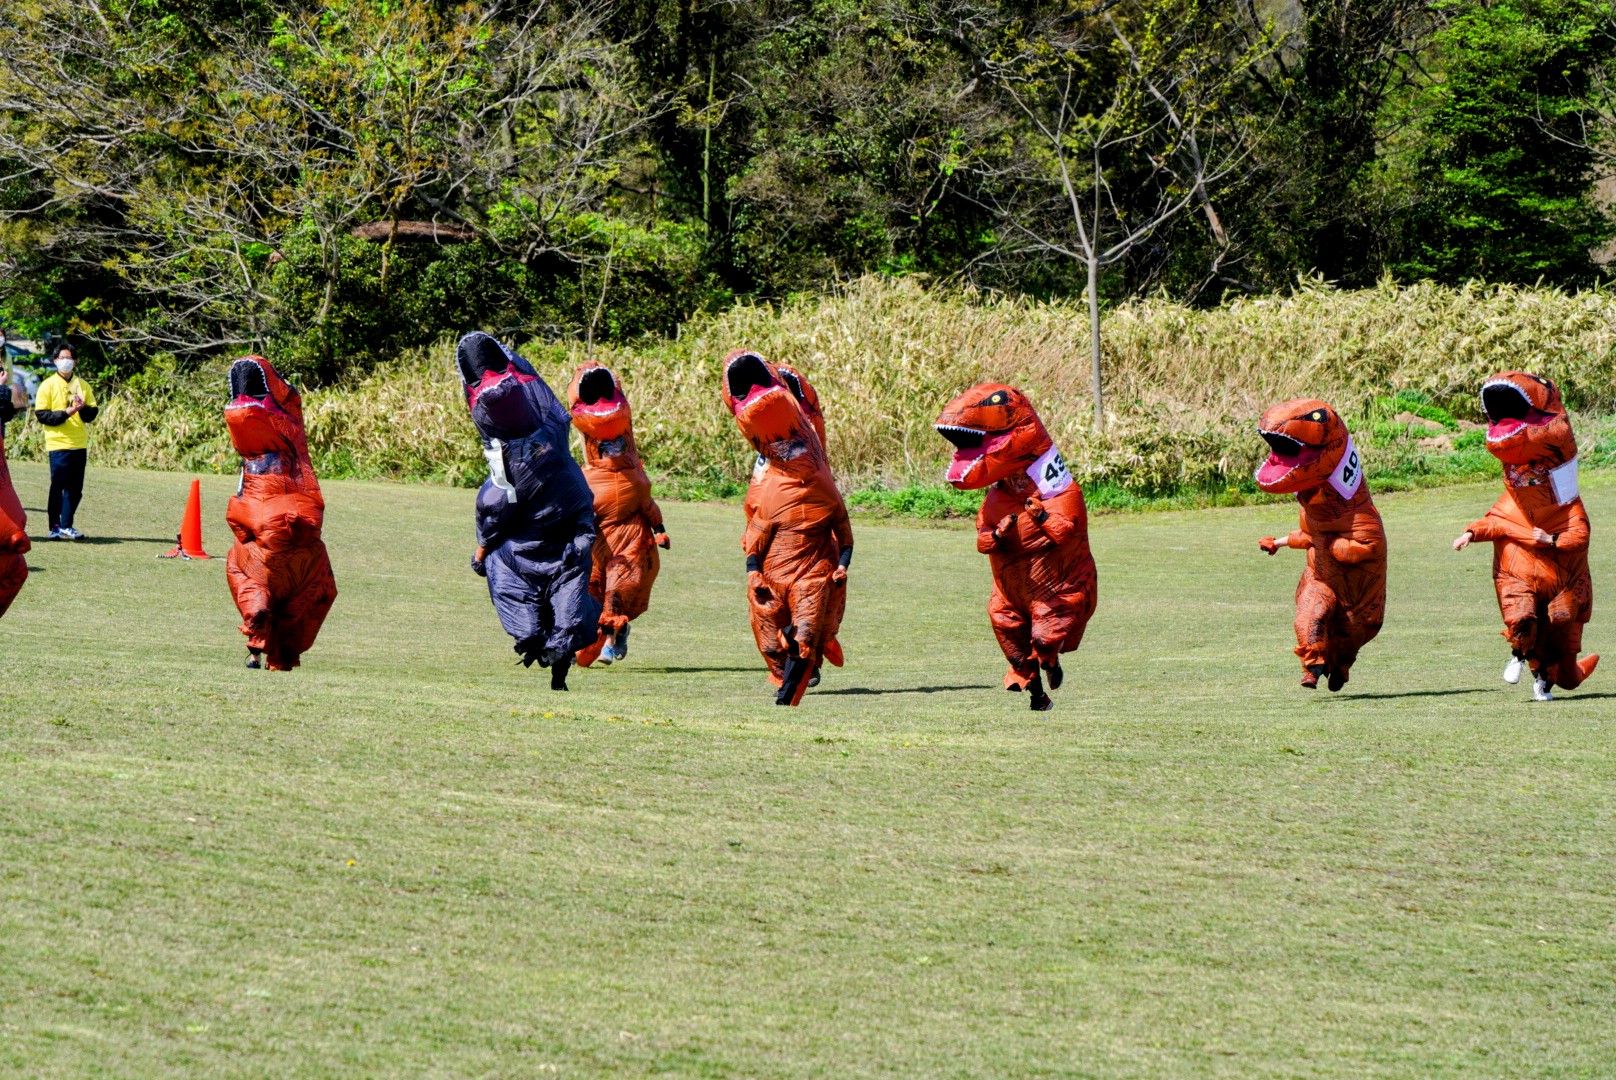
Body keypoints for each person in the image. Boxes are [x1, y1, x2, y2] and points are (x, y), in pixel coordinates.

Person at [33, 343, 98, 540]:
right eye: (62, 358)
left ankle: (66, 525)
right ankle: (54, 527)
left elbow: (91, 414)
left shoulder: (83, 385)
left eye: (69, 358)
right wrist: (68, 412)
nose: (66, 361)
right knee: (57, 486)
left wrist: (82, 407)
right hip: (58, 444)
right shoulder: (48, 385)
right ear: (55, 361)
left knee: (75, 489)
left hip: (78, 443)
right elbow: (43, 416)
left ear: (75, 361)